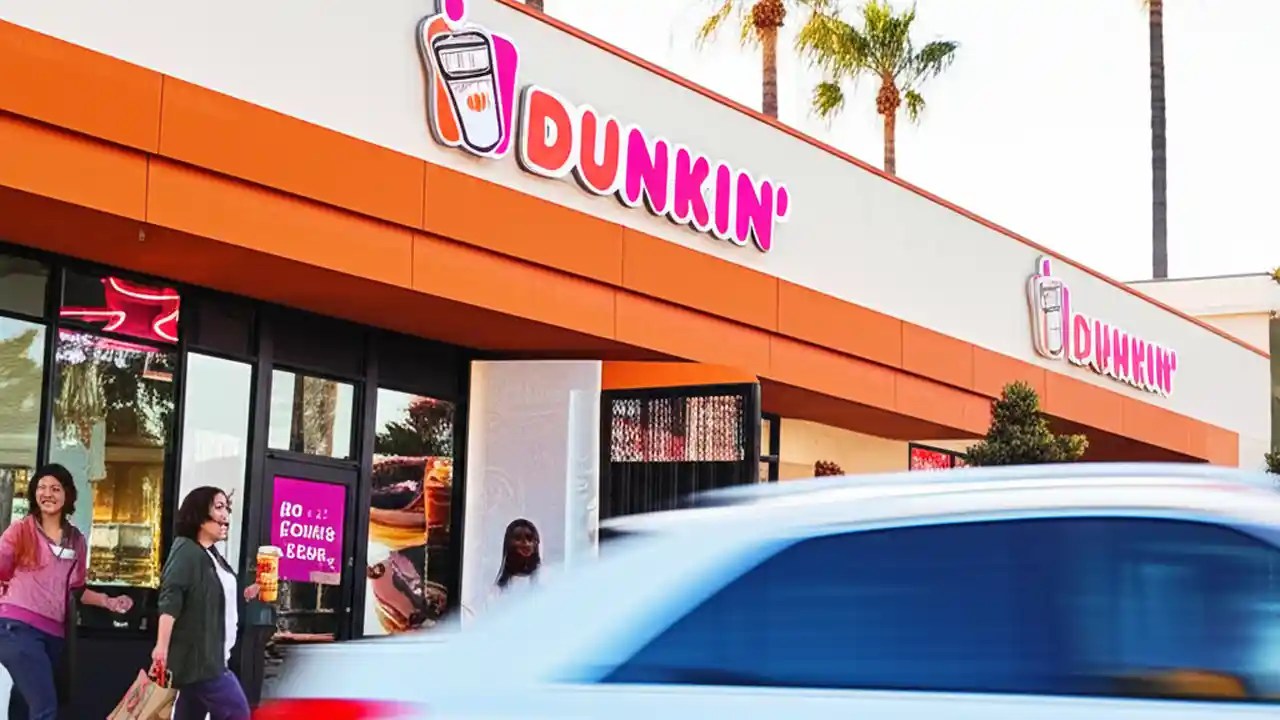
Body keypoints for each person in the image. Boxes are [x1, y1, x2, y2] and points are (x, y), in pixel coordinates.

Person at [0, 463, 133, 720]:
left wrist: (110, 602)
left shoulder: (76, 540)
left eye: (55, 488)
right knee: (45, 707)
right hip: (16, 631)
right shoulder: (20, 530)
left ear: (67, 495)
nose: (47, 494)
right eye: (41, 488)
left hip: (54, 636)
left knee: (24, 705)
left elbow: (77, 590)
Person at [153, 486, 258, 720]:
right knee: (236, 712)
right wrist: (161, 647)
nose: (225, 516)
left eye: (227, 509)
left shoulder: (210, 554)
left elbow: (213, 595)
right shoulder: (187, 551)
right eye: (219, 508)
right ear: (199, 515)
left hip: (210, 657)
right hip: (202, 661)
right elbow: (171, 598)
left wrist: (247, 593)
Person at [494, 518, 541, 594]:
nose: (525, 543)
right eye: (518, 538)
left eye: (529, 537)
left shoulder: (548, 582)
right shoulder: (497, 592)